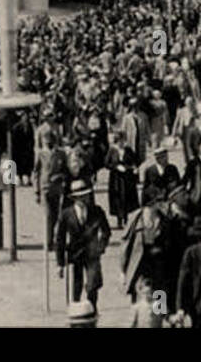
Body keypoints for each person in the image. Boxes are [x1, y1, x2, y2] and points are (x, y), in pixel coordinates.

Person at [55, 180, 112, 311]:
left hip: (92, 253)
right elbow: (60, 239)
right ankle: (75, 308)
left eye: (85, 195)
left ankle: (92, 309)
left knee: (93, 284)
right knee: (77, 284)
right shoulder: (66, 214)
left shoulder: (97, 211)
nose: (83, 199)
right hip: (75, 254)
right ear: (74, 198)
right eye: (79, 196)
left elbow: (106, 232)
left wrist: (101, 247)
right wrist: (60, 264)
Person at [105, 132, 139, 228]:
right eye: (120, 141)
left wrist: (133, 168)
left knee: (127, 197)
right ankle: (119, 219)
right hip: (116, 179)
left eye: (123, 140)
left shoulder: (128, 150)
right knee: (117, 198)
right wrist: (116, 167)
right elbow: (106, 163)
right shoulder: (112, 150)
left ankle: (126, 218)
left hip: (127, 178)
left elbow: (134, 161)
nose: (122, 143)